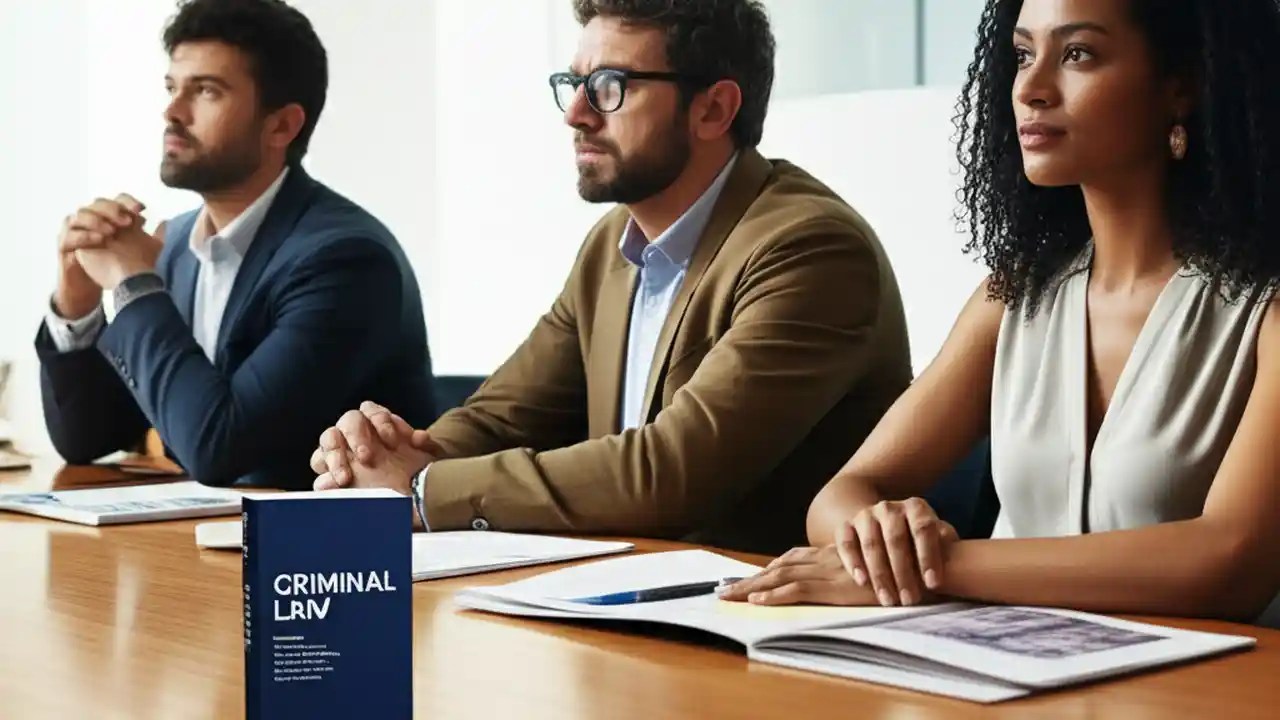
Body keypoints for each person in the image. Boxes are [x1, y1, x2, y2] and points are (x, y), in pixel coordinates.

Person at [721, 0, 1280, 625]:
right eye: (1021, 55)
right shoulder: (1013, 297)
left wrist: (941, 570)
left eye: (1077, 54)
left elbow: (1230, 563)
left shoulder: (1266, 311)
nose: (1032, 89)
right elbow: (842, 495)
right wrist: (880, 536)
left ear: (1183, 87)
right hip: (1010, 679)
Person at [310, 0, 912, 554]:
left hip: (768, 624)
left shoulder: (810, 248)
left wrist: (422, 490)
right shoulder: (611, 247)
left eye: (609, 87)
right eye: (575, 84)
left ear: (713, 109)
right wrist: (377, 460)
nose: (576, 113)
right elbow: (502, 417)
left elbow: (673, 473)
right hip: (630, 602)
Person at [36, 0, 435, 489]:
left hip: (322, 552)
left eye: (205, 90)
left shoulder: (346, 260)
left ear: (281, 126)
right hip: (195, 545)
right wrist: (76, 308)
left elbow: (220, 449)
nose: (172, 111)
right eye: (171, 87)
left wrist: (134, 285)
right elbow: (89, 439)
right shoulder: (175, 243)